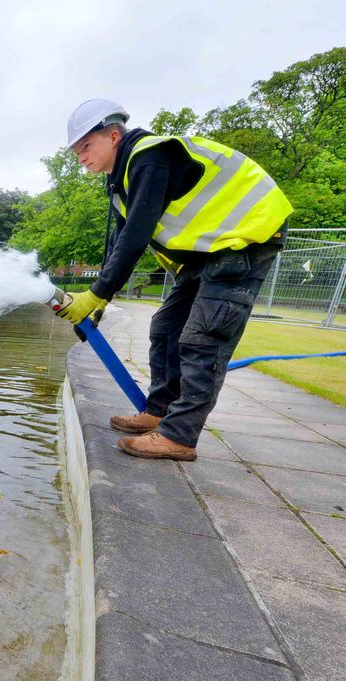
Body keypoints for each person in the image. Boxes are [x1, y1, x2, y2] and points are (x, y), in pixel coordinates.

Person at [56, 99, 293, 461]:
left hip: (246, 238)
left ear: (114, 135)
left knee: (203, 338)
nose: (81, 157)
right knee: (166, 328)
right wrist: (99, 300)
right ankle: (159, 412)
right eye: (77, 151)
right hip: (207, 253)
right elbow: (119, 242)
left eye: (86, 146)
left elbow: (137, 234)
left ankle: (180, 436)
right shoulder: (121, 182)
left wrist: (97, 292)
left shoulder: (150, 158)